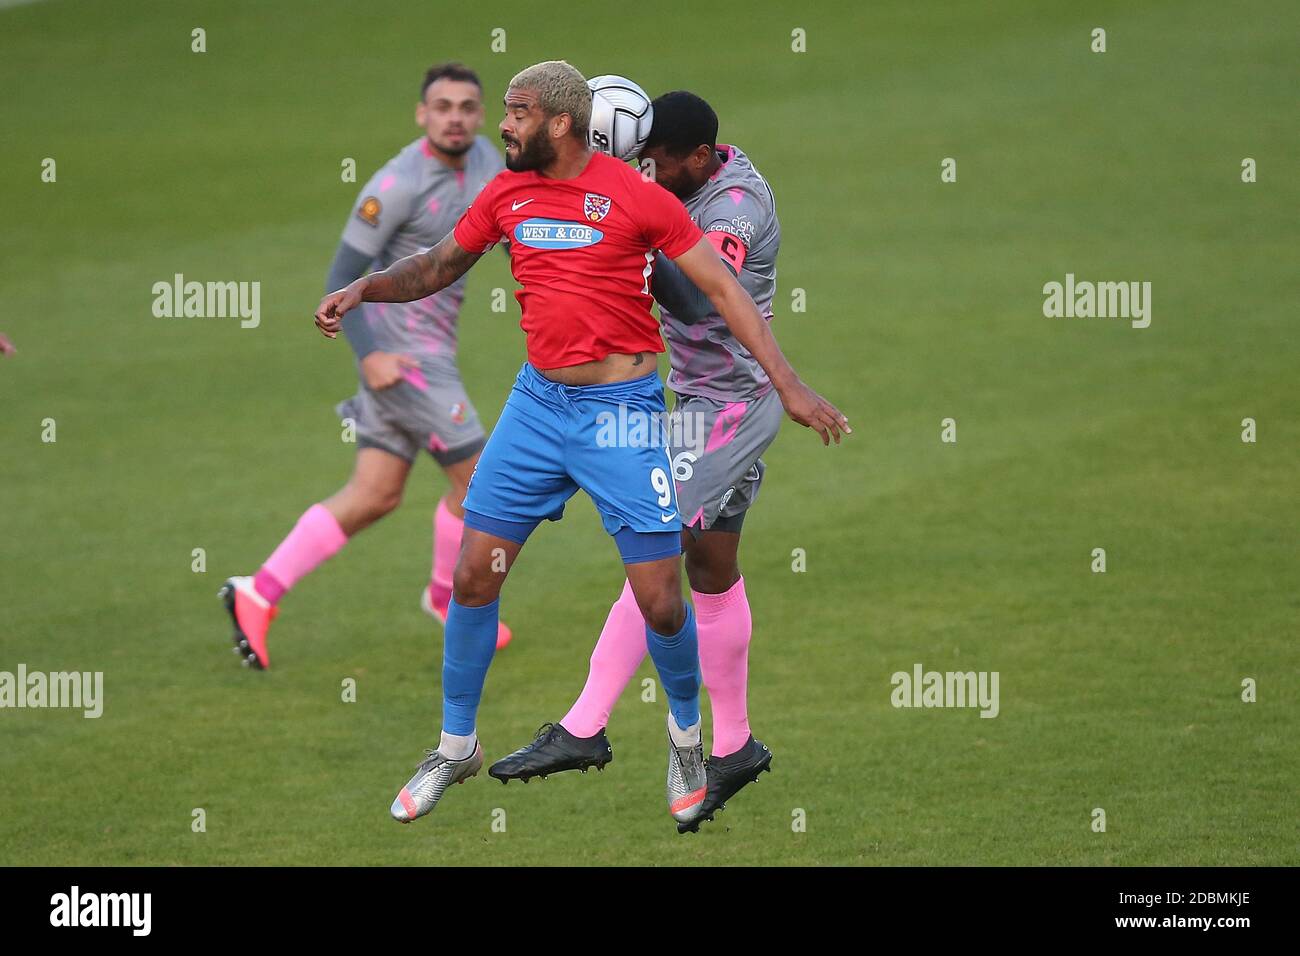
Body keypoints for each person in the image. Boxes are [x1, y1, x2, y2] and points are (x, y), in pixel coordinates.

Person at [314, 61, 848, 829]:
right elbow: (436, 265)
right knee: (472, 574)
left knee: (664, 598)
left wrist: (789, 385)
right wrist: (363, 288)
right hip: (538, 406)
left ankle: (687, 741)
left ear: (561, 122)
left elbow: (722, 292)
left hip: (623, 412)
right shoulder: (504, 192)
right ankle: (455, 747)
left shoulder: (637, 197)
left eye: (518, 111)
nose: (505, 124)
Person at [221, 63, 509, 671]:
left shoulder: (490, 161)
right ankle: (444, 596)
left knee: (375, 494)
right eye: (442, 106)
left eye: (465, 106)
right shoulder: (396, 184)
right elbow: (338, 279)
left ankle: (258, 591)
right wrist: (370, 354)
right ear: (422, 114)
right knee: (481, 480)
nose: (454, 116)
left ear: (479, 115)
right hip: (407, 362)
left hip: (427, 357)